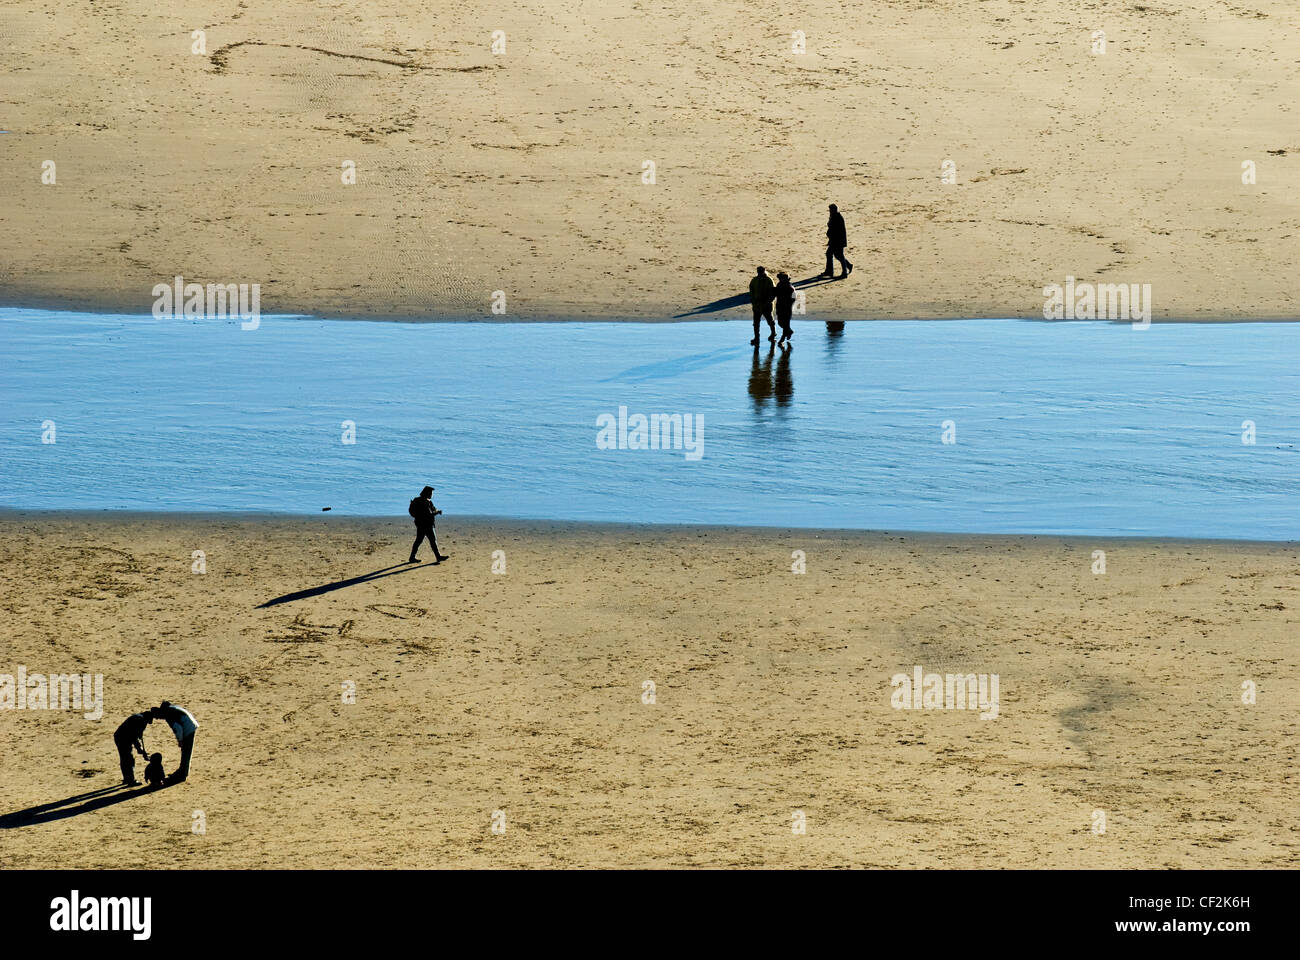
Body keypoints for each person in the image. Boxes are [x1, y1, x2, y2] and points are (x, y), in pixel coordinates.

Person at [151, 701, 198, 784]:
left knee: (186, 753)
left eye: (158, 717)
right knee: (186, 753)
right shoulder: (173, 709)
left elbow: (178, 729)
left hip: (188, 729)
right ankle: (182, 772)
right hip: (191, 725)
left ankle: (182, 775)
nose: (159, 718)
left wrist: (180, 740)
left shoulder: (168, 715)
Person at [408, 485, 448, 563]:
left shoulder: (418, 500)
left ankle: (412, 557)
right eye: (430, 493)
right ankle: (438, 557)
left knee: (419, 541)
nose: (431, 495)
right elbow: (430, 514)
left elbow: (432, 510)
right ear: (427, 493)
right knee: (432, 540)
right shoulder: (426, 502)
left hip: (420, 524)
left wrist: (435, 511)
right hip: (427, 525)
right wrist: (437, 512)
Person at [113, 711, 152, 787]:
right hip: (123, 739)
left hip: (119, 737)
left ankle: (126, 779)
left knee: (124, 758)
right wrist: (140, 750)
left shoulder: (139, 718)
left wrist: (141, 750)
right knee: (128, 759)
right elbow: (134, 737)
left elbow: (138, 736)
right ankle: (131, 780)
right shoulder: (140, 720)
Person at [819, 203, 853, 279]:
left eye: (830, 210)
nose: (829, 211)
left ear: (834, 210)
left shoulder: (837, 217)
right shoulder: (835, 216)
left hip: (838, 241)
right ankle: (832, 270)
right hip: (835, 241)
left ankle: (843, 272)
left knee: (838, 255)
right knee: (834, 255)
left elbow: (835, 230)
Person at [748, 266, 776, 345]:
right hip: (756, 305)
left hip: (767, 305)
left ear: (764, 271)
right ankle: (756, 337)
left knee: (770, 320)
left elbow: (773, 292)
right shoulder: (754, 280)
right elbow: (751, 291)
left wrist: (768, 302)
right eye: (758, 271)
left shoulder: (769, 280)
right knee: (756, 323)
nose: (759, 273)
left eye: (761, 271)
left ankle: (773, 333)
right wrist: (753, 301)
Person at [773, 271, 796, 345]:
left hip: (786, 307)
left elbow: (793, 298)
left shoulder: (790, 287)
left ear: (785, 279)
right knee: (780, 323)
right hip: (779, 305)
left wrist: (789, 304)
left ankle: (782, 338)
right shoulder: (779, 284)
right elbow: (776, 293)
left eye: (780, 278)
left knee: (785, 323)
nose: (779, 279)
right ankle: (789, 331)